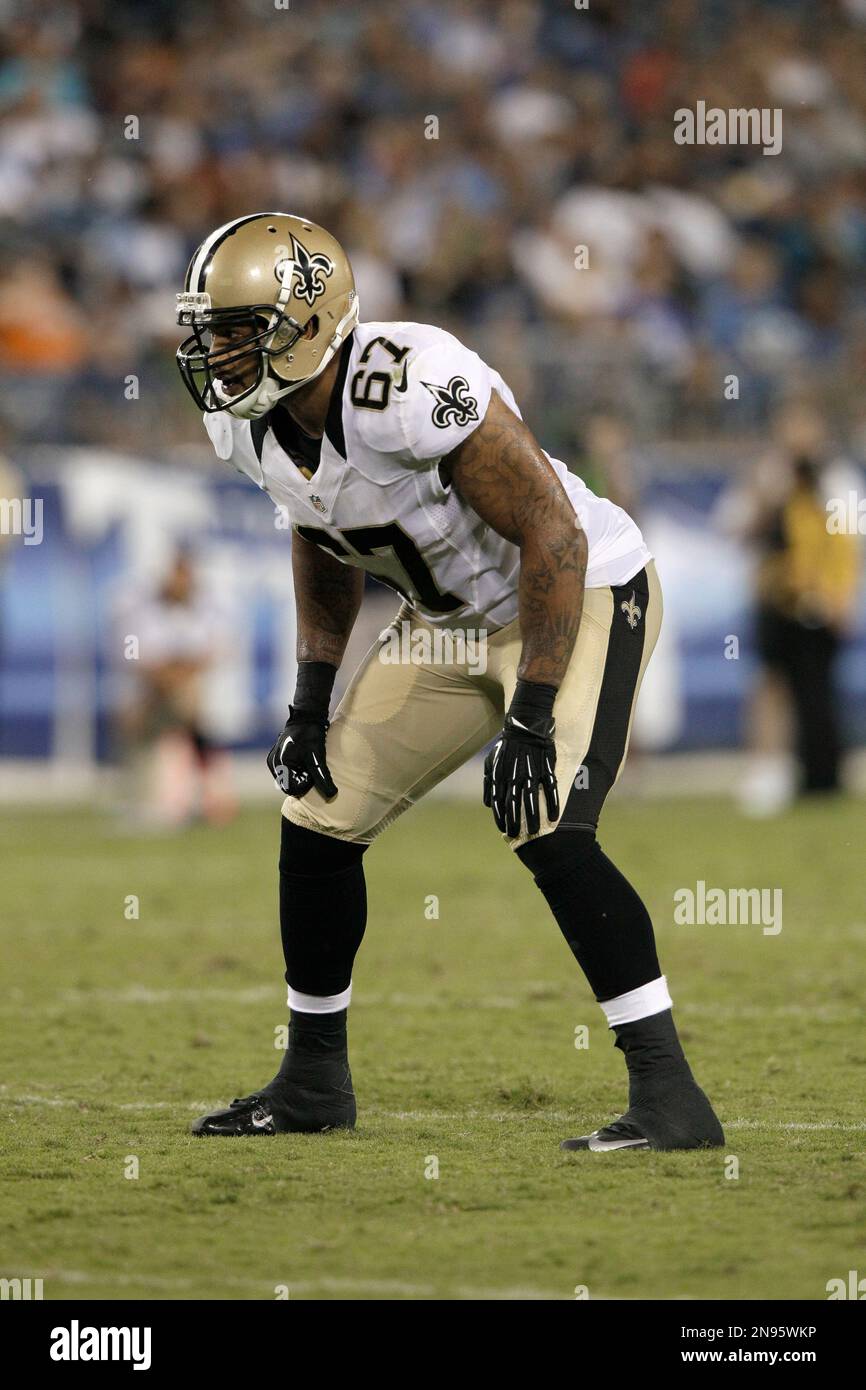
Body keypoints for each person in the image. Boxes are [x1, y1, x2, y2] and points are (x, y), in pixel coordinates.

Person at [175, 212, 723, 1152]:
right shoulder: (252, 429)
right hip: (447, 629)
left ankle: (671, 1098)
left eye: (238, 330)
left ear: (307, 324)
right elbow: (320, 534)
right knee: (320, 811)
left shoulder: (410, 383)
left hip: (576, 593)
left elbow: (555, 529)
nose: (217, 354)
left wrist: (534, 711)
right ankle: (312, 1082)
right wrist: (311, 703)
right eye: (211, 332)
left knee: (545, 819)